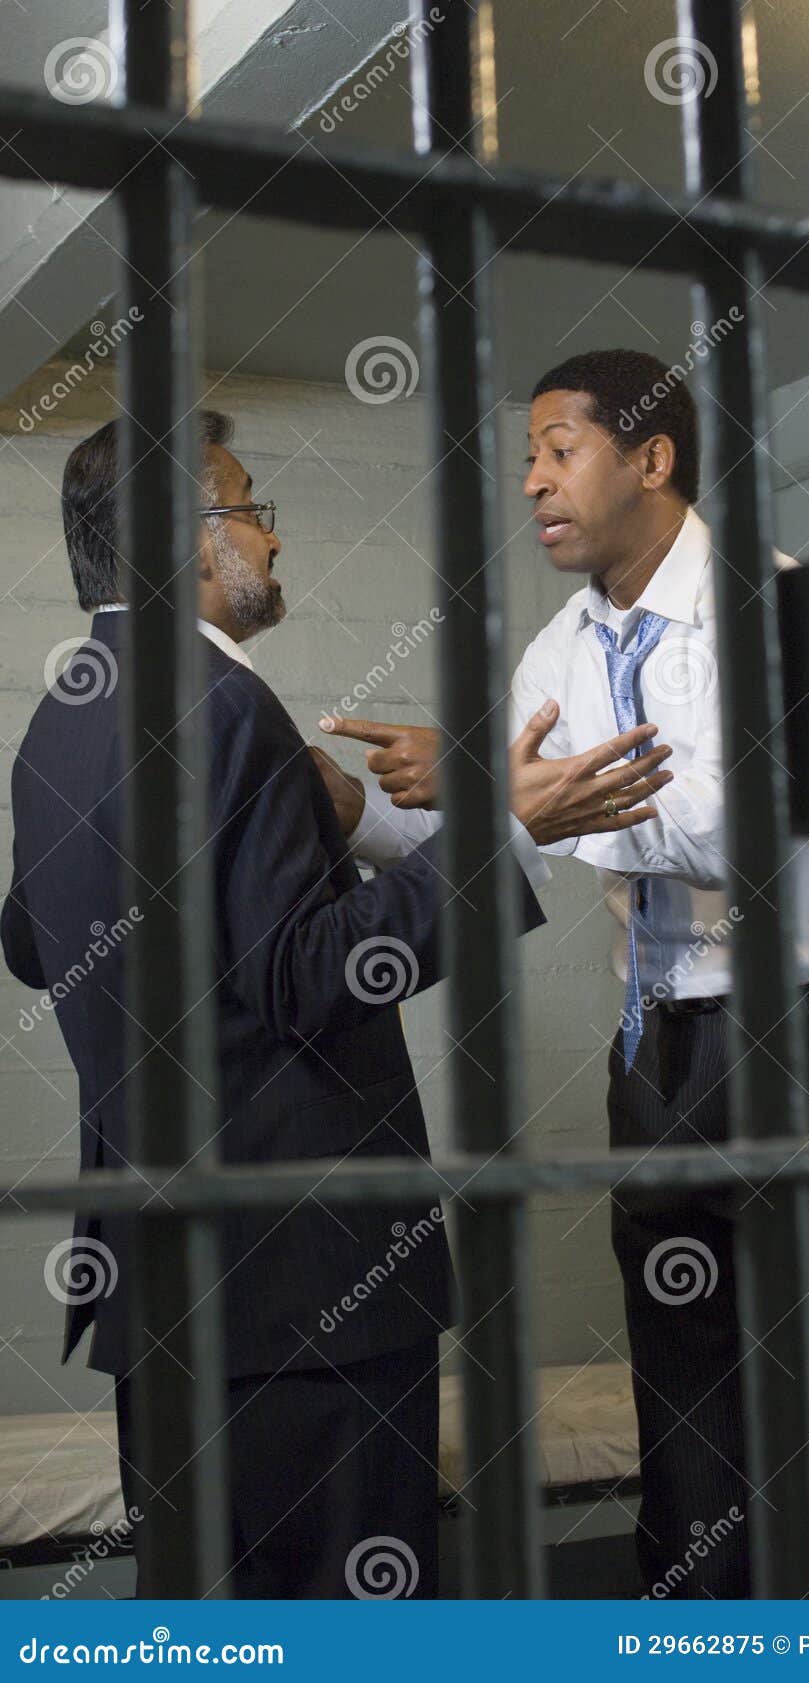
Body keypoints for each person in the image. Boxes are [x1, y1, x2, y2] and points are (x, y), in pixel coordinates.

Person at [0, 409, 672, 1599]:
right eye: (251, 507)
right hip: (306, 1280)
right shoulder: (219, 709)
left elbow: (29, 944)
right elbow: (307, 978)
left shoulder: (60, 723)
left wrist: (332, 824)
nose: (272, 538)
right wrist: (503, 829)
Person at [324, 349, 809, 1599]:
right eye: (530, 457)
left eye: (560, 449)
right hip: (656, 1049)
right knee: (684, 1380)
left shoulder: (776, 614)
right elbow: (502, 824)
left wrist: (503, 787)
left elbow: (734, 826)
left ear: (651, 459)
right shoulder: (559, 650)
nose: (532, 480)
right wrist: (341, 809)